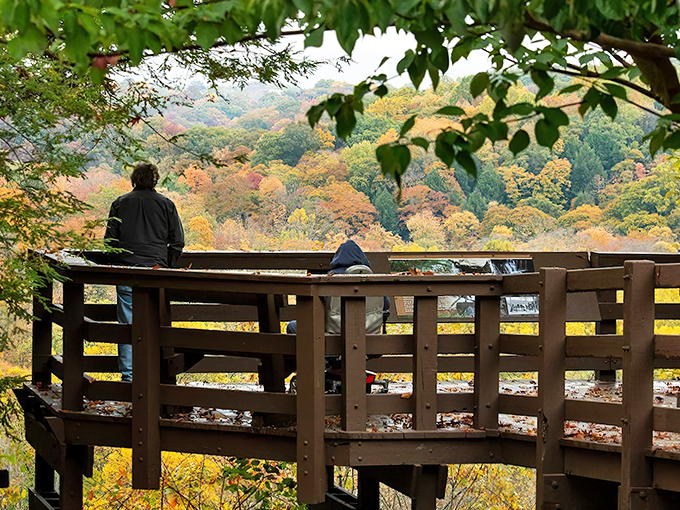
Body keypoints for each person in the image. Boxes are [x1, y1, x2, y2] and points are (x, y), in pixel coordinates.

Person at [104, 162, 184, 381]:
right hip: (157, 273)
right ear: (154, 180)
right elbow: (178, 241)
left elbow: (110, 242)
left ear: (134, 180)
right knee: (157, 324)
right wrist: (165, 264)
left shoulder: (120, 204)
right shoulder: (166, 205)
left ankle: (130, 379)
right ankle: (158, 378)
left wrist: (120, 263)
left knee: (128, 327)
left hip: (127, 272)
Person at [286, 240, 390, 334]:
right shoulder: (372, 281)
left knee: (292, 326)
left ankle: (312, 356)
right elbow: (386, 305)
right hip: (368, 335)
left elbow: (314, 307)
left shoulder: (331, 279)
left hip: (333, 336)